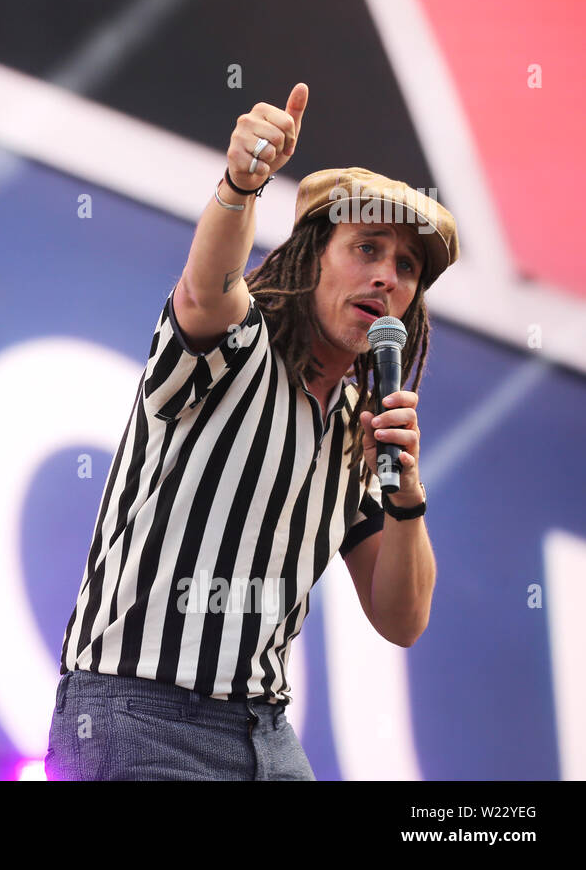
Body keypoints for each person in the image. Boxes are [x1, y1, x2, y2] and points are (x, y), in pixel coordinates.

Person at [45, 83, 459, 780]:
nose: (386, 276)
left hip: (265, 735)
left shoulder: (359, 432)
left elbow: (403, 619)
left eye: (407, 266)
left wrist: (407, 496)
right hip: (139, 717)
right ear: (313, 257)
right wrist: (241, 184)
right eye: (366, 247)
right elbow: (210, 286)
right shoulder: (235, 344)